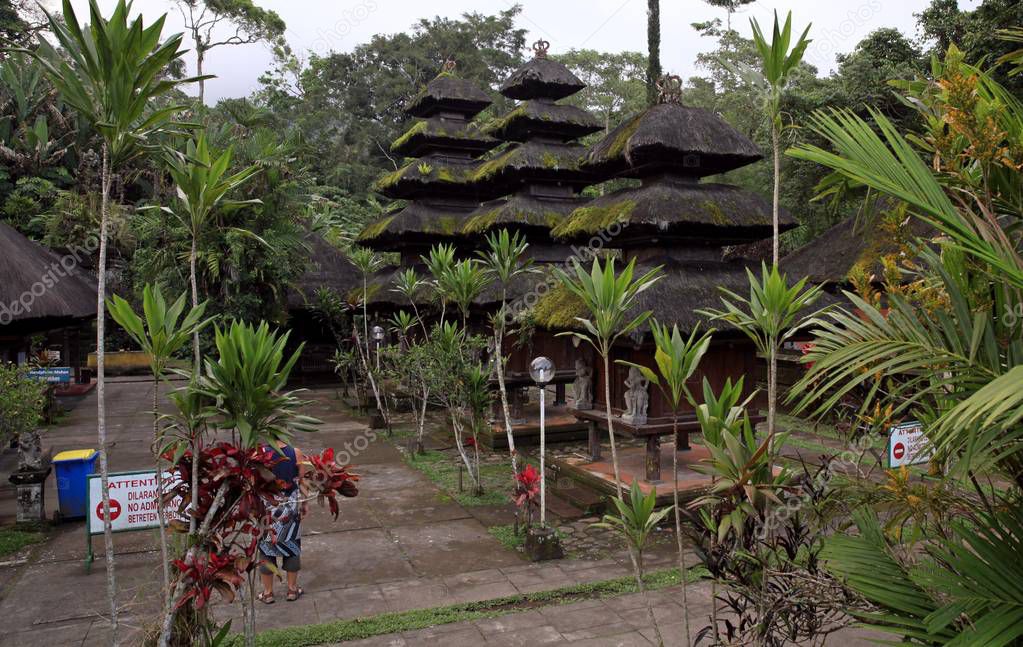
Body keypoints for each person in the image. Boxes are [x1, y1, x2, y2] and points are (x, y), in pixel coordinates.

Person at [257, 441, 308, 603]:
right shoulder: (295, 452)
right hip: (290, 507)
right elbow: (302, 482)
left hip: (267, 507)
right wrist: (304, 503)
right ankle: (292, 590)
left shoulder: (259, 453)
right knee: (292, 547)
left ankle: (268, 593)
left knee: (266, 548)